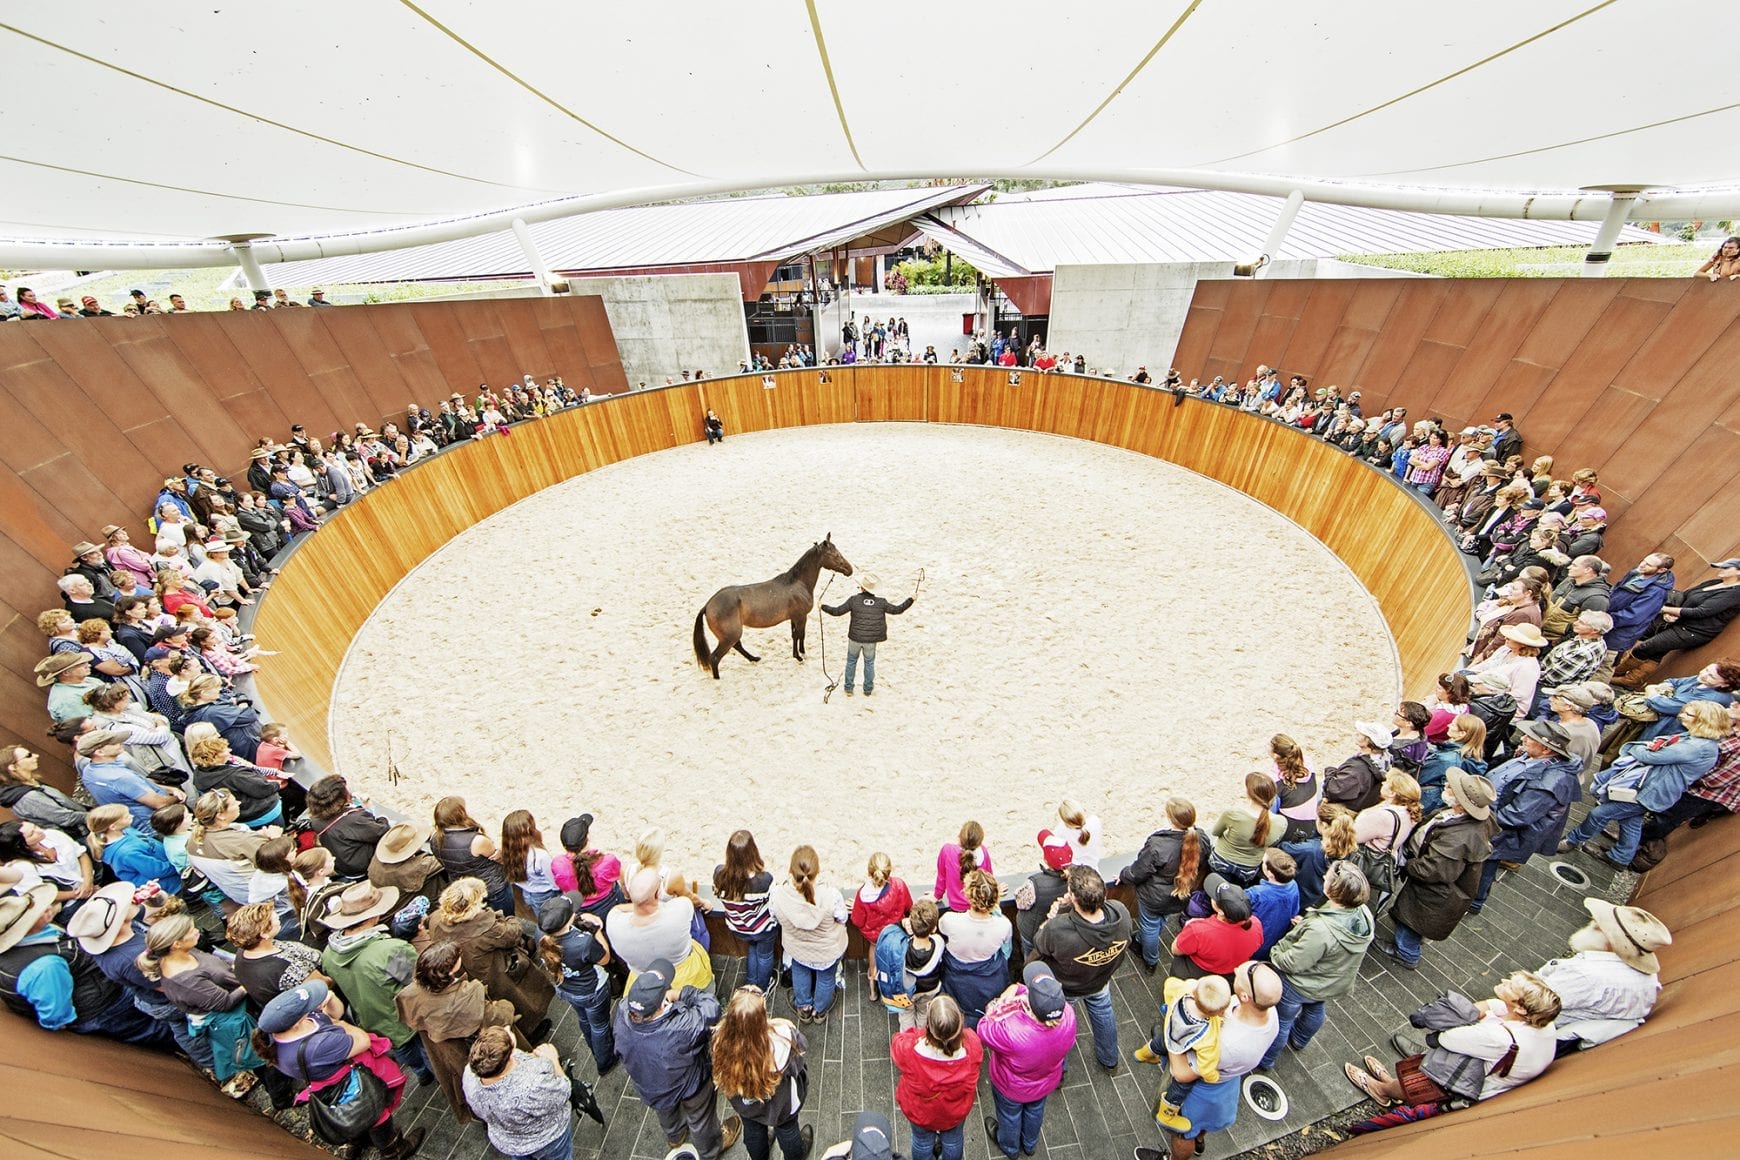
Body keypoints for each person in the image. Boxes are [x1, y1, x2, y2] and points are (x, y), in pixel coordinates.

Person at [255, 980, 426, 1159]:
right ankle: (394, 1151)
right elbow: (362, 1041)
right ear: (296, 1022)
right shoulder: (317, 1045)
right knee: (374, 1113)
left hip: (328, 1087)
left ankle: (359, 1141)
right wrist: (340, 1024)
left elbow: (334, 1013)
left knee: (354, 1116)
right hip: (351, 1085)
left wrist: (330, 999)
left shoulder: (274, 1037)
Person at [1342, 971, 1560, 1111]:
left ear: (1521, 1009)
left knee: (1418, 1080)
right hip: (1484, 1065)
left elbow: (1446, 1038)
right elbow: (1496, 1010)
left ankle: (1384, 1091)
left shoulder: (1498, 1038)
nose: (1504, 982)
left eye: (1511, 987)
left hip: (1465, 1080)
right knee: (1424, 1064)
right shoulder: (1543, 1022)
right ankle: (1392, 1083)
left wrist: (1482, 1007)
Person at [1561, 702, 1726, 868]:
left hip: (1650, 792)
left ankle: (1572, 840)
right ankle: (1620, 857)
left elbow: (1651, 756)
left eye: (1689, 714)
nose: (1681, 715)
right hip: (1652, 790)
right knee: (1630, 821)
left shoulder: (1697, 747)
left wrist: (1636, 749)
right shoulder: (1697, 739)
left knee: (1599, 814)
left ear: (1704, 721)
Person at [613, 958, 743, 1158]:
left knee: (665, 1111)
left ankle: (675, 1135)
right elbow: (711, 1008)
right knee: (700, 1119)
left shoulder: (622, 1011)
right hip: (691, 1086)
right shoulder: (681, 1027)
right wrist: (680, 994)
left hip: (650, 1085)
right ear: (661, 1004)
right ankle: (710, 1149)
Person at [1256, 862, 1374, 1071]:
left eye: (1327, 878)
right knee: (1315, 1008)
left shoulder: (1321, 930)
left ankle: (1266, 1060)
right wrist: (1307, 925)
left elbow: (1293, 962)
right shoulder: (1363, 914)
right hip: (1331, 981)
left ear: (1335, 891)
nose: (1323, 878)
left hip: (1299, 985)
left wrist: (1275, 953)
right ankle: (1300, 1038)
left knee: (1281, 1021)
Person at [320, 881, 434, 1088]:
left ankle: (422, 1074)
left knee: (405, 1053)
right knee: (429, 1053)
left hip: (373, 1021)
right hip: (410, 1018)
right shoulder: (389, 949)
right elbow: (420, 979)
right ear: (373, 916)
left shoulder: (328, 954)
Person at [1382, 769, 1497, 971]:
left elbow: (1430, 870)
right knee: (1413, 916)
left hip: (1434, 894)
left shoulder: (1458, 838)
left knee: (1414, 920)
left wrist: (1405, 864)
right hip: (1436, 888)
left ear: (1461, 803)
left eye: (1451, 788)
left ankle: (1406, 954)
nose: (1446, 785)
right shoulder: (1464, 817)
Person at [396, 941, 519, 1124]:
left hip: (445, 1053)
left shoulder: (410, 993)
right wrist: (503, 1005)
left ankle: (479, 1115)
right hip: (476, 1048)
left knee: (463, 1084)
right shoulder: (469, 995)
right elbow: (499, 1018)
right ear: (449, 970)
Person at [1471, 720, 1582, 912]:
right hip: (1490, 818)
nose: (1523, 738)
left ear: (1546, 749)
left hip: (1501, 830)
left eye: (1530, 737)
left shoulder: (1550, 782)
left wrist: (1479, 817)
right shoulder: (1534, 756)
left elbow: (1518, 815)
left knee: (1485, 864)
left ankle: (1475, 902)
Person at [425, 877, 556, 1038]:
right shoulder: (484, 927)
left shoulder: (436, 919)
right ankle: (531, 1030)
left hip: (465, 973)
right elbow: (513, 933)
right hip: (495, 973)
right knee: (518, 1000)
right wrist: (507, 918)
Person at [1031, 864, 1129, 1071]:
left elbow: (1039, 943)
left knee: (1059, 1025)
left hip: (1067, 988)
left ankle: (1060, 1069)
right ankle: (1109, 1060)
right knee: (1103, 1013)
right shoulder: (1121, 913)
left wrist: (1055, 916)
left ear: (1073, 897)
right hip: (1100, 980)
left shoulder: (1058, 928)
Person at [977, 962, 1076, 1160]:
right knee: (1035, 1111)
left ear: (1030, 1007)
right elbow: (1042, 1004)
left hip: (1011, 1087)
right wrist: (1019, 989)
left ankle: (1010, 1147)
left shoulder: (1011, 1031)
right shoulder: (1068, 1016)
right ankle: (1030, 1144)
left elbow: (983, 1028)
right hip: (1045, 1082)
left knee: (1010, 1116)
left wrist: (997, 1006)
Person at [710, 984, 813, 1160]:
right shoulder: (782, 1038)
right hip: (780, 1106)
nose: (751, 987)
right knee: (788, 1130)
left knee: (753, 1130)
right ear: (761, 1018)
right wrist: (781, 1024)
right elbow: (799, 1058)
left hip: (745, 1105)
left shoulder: (719, 1040)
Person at [1118, 797, 1206, 973]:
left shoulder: (1159, 845)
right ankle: (1143, 938)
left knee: (1150, 927)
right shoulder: (1201, 838)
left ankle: (1151, 960)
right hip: (1180, 894)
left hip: (1155, 897)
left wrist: (1123, 875)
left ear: (1171, 819)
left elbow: (1138, 871)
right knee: (1160, 920)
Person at [463, 1025, 578, 1160]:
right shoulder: (532, 1087)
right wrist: (553, 1060)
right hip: (547, 1140)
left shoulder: (470, 1074)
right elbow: (563, 1091)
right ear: (509, 1056)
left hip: (510, 1142)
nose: (507, 1027)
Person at [891, 994, 982, 1160]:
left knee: (921, 1142)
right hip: (954, 1112)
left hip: (920, 1112)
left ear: (928, 1024)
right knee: (953, 1140)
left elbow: (897, 1041)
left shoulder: (909, 1049)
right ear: (960, 1022)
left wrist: (918, 1034)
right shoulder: (973, 1045)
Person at [767, 845, 848, 1023]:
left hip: (798, 949)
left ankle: (804, 1008)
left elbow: (774, 915)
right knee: (826, 978)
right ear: (817, 872)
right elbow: (843, 917)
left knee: (800, 972)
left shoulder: (778, 894)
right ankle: (819, 1012)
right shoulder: (831, 895)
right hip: (827, 952)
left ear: (791, 871)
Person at [537, 895, 616, 1074]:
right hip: (592, 991)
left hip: (566, 988)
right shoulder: (583, 942)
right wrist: (596, 931)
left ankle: (593, 1046)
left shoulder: (541, 936)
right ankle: (605, 1061)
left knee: (584, 1018)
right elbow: (605, 958)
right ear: (568, 920)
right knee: (600, 1026)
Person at [1147, 972, 1231, 1133]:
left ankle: (1146, 1052)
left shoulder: (1184, 990)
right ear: (1219, 1012)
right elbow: (1206, 1065)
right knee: (1182, 1085)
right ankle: (1167, 1113)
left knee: (1161, 1042)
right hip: (1182, 1047)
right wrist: (1212, 1077)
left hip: (1171, 1032)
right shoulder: (1208, 1035)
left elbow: (1170, 984)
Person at [608, 866, 714, 992]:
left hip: (643, 984)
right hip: (686, 976)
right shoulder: (680, 910)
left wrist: (640, 904)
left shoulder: (613, 923)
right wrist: (653, 905)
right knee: (702, 993)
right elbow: (684, 901)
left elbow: (617, 909)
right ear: (658, 893)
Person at [937, 870, 1011, 1027]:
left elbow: (942, 929)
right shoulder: (1004, 925)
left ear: (968, 895)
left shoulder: (950, 920)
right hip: (989, 975)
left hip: (956, 972)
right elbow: (1006, 948)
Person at [821, 573, 913, 697]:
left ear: (862, 587)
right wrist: (911, 599)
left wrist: (823, 606)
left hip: (855, 638)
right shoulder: (881, 602)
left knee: (851, 661)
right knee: (869, 663)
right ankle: (868, 690)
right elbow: (898, 609)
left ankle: (849, 688)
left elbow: (837, 611)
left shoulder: (854, 600)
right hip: (870, 641)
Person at [714, 829, 779, 992]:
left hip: (739, 927)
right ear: (753, 852)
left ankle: (750, 983)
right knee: (764, 955)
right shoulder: (764, 880)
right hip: (763, 928)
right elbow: (774, 902)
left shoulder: (719, 875)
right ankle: (761, 989)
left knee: (752, 947)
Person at [1171, 874, 1263, 980]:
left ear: (1221, 911)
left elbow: (1175, 949)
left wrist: (1187, 927)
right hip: (1230, 975)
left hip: (1197, 972)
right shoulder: (1256, 924)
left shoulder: (1198, 930)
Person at [849, 850, 911, 997]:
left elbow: (857, 921)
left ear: (869, 872)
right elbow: (909, 906)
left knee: (874, 949)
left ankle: (873, 988)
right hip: (895, 932)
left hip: (875, 937)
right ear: (889, 871)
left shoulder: (862, 894)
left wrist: (856, 906)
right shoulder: (899, 885)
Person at [1207, 773, 1283, 886]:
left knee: (1217, 889)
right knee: (1239, 893)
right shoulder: (1281, 822)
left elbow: (1215, 832)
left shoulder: (1233, 813)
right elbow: (1272, 843)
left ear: (1249, 793)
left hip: (1222, 860)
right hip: (1249, 867)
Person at [1013, 830, 1072, 952]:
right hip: (1061, 932)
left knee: (1031, 956)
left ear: (1045, 860)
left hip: (1034, 932)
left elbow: (1020, 902)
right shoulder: (1079, 878)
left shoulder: (1035, 883)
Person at [1246, 849, 1300, 961]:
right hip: (1275, 940)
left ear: (1270, 873)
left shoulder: (1256, 893)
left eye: (1263, 862)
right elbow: (1294, 911)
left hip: (1254, 939)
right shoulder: (1293, 885)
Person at [932, 820, 993, 912]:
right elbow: (989, 880)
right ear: (979, 842)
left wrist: (937, 895)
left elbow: (942, 878)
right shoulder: (984, 853)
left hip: (956, 908)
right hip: (978, 909)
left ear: (960, 836)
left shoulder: (947, 851)